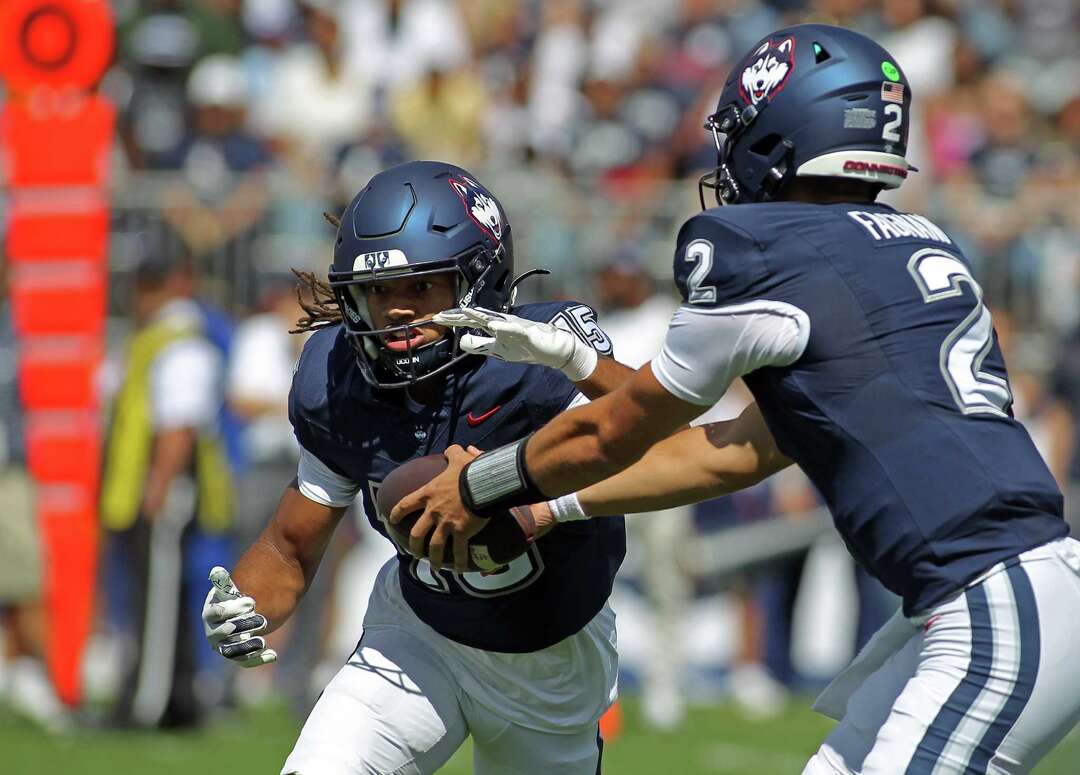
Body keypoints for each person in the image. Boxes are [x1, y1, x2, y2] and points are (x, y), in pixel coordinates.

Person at [396, 25, 1080, 773]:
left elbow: (615, 432)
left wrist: (480, 483)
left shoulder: (763, 248)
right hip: (995, 592)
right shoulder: (909, 242)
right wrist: (548, 497)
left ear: (781, 133)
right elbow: (730, 452)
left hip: (990, 600)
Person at [202, 161, 629, 774]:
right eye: (379, 292)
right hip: (417, 638)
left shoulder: (539, 360)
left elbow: (661, 447)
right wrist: (246, 608)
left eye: (420, 288)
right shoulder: (338, 378)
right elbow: (290, 547)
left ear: (478, 281)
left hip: (549, 655)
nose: (397, 312)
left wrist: (535, 501)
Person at [100, 244, 233, 728]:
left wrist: (156, 490)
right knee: (159, 597)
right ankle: (175, 702)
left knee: (155, 600)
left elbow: (178, 425)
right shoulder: (159, 338)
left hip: (164, 490)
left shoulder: (178, 342)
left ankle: (147, 706)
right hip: (150, 487)